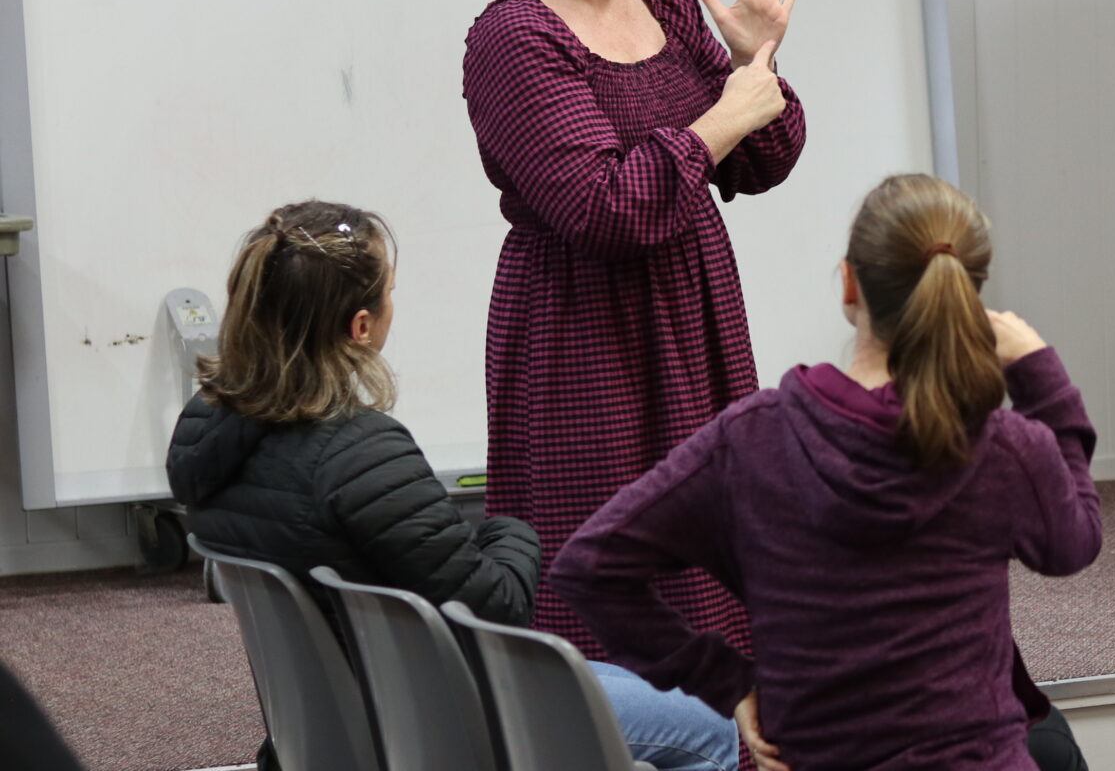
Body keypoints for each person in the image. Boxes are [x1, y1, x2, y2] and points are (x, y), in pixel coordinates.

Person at [550, 174, 1102, 771]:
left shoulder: (752, 439)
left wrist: (728, 680)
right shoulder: (1003, 446)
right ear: (967, 297)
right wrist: (1039, 375)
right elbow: (1073, 543)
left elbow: (589, 568)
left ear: (848, 283)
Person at [166, 200, 739, 771]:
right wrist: (516, 523)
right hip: (424, 720)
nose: (394, 304)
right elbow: (500, 606)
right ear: (360, 327)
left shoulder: (207, 432)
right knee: (714, 726)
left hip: (325, 722)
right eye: (389, 291)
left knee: (632, 681)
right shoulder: (359, 452)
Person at [464, 0, 806, 654]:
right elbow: (605, 205)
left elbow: (762, 160)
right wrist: (721, 116)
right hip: (585, 340)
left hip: (692, 318)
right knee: (611, 575)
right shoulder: (514, 38)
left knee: (718, 559)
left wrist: (752, 61)